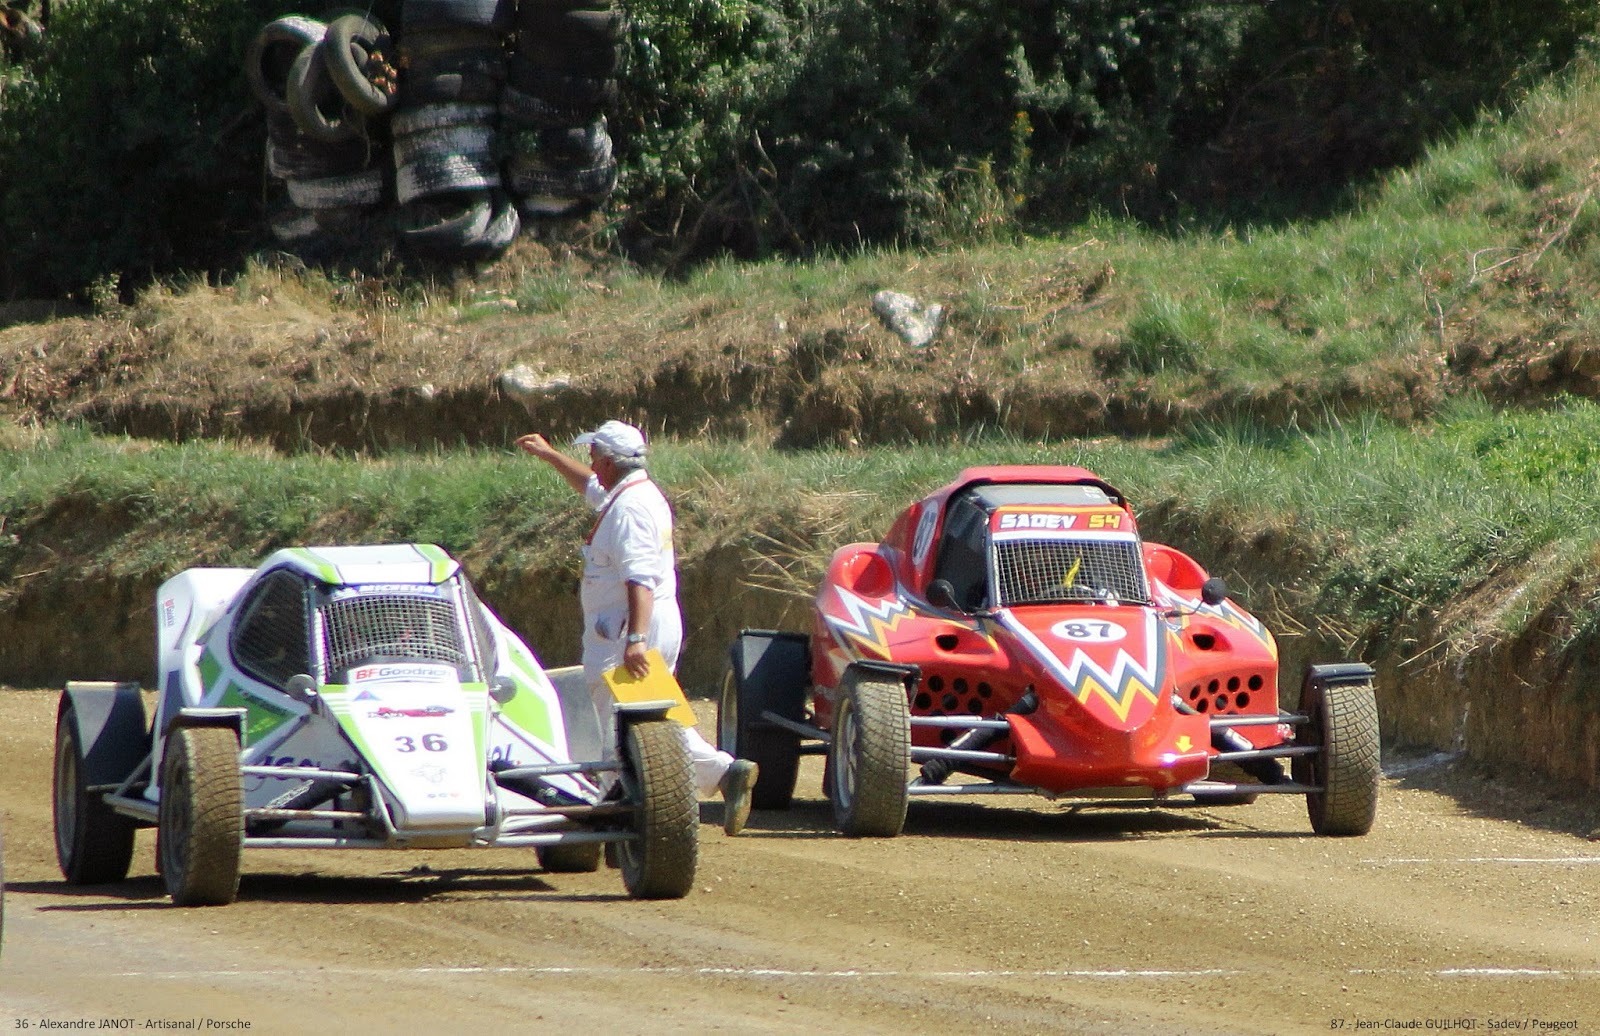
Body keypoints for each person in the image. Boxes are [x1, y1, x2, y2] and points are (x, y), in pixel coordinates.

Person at [515, 419, 758, 835]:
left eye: (594, 457)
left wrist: (636, 640)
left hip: (628, 630)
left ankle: (630, 806)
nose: (590, 462)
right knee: (647, 719)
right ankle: (714, 776)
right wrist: (551, 455)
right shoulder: (631, 492)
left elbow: (639, 578)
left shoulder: (629, 510)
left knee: (624, 724)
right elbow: (592, 487)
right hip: (633, 627)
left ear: (610, 462)